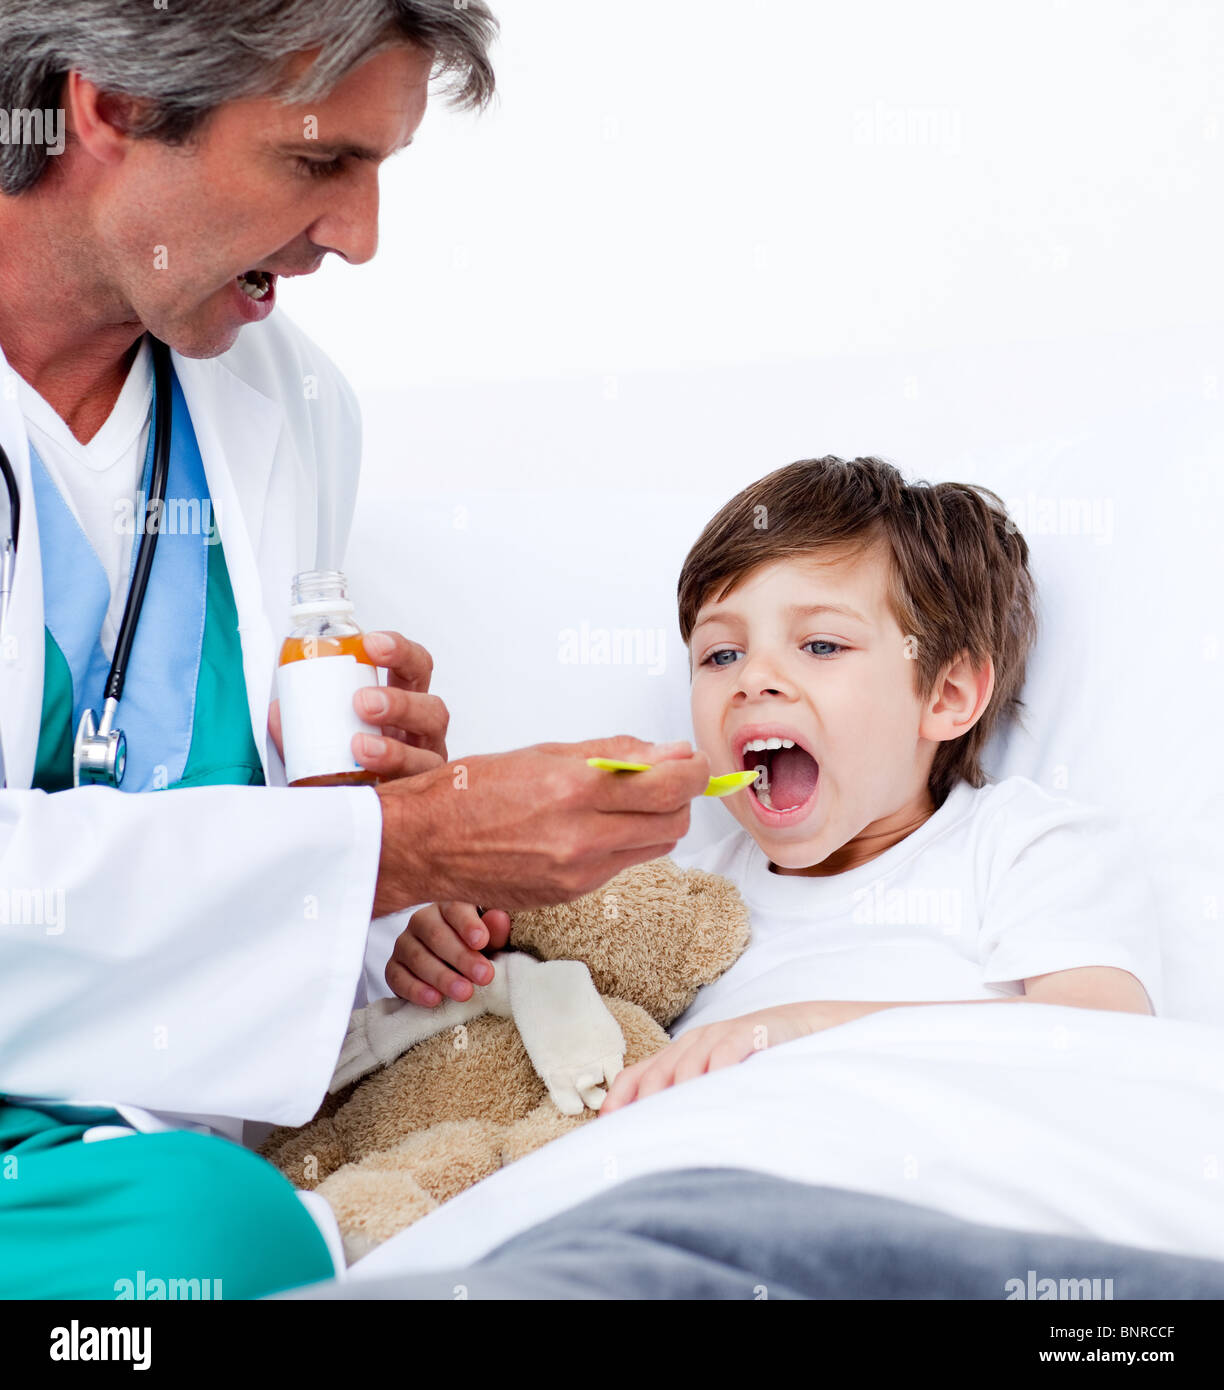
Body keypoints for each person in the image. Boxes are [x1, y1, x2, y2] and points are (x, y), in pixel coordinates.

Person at [0, 0, 708, 1299]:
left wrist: (365, 845)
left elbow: (239, 838)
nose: (361, 237)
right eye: (321, 162)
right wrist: (405, 842)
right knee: (212, 1249)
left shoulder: (291, 401)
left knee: (212, 1233)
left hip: (119, 1132)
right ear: (105, 107)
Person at [396, 456, 1160, 1114]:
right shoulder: (674, 902)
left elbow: (1100, 1042)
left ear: (947, 694)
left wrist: (798, 1029)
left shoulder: (1026, 845)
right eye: (721, 655)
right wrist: (456, 947)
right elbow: (545, 1018)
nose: (755, 677)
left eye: (821, 644)